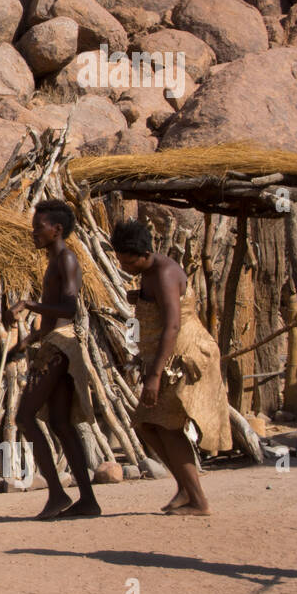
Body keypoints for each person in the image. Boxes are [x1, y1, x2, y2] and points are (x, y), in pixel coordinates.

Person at [111, 219, 231, 516]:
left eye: (126, 260)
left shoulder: (163, 273)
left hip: (184, 358)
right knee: (148, 425)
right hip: (167, 360)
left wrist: (152, 376)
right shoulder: (150, 273)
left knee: (167, 426)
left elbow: (173, 326)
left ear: (142, 253)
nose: (123, 265)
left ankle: (198, 500)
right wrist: (140, 298)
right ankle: (185, 489)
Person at [7, 200, 101, 520]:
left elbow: (70, 309)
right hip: (52, 342)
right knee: (60, 423)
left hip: (60, 346)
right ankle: (87, 500)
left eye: (38, 227)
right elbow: (55, 316)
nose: (34, 232)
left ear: (57, 229)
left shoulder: (66, 259)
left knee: (24, 416)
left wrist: (28, 304)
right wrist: (28, 341)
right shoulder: (54, 260)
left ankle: (59, 494)